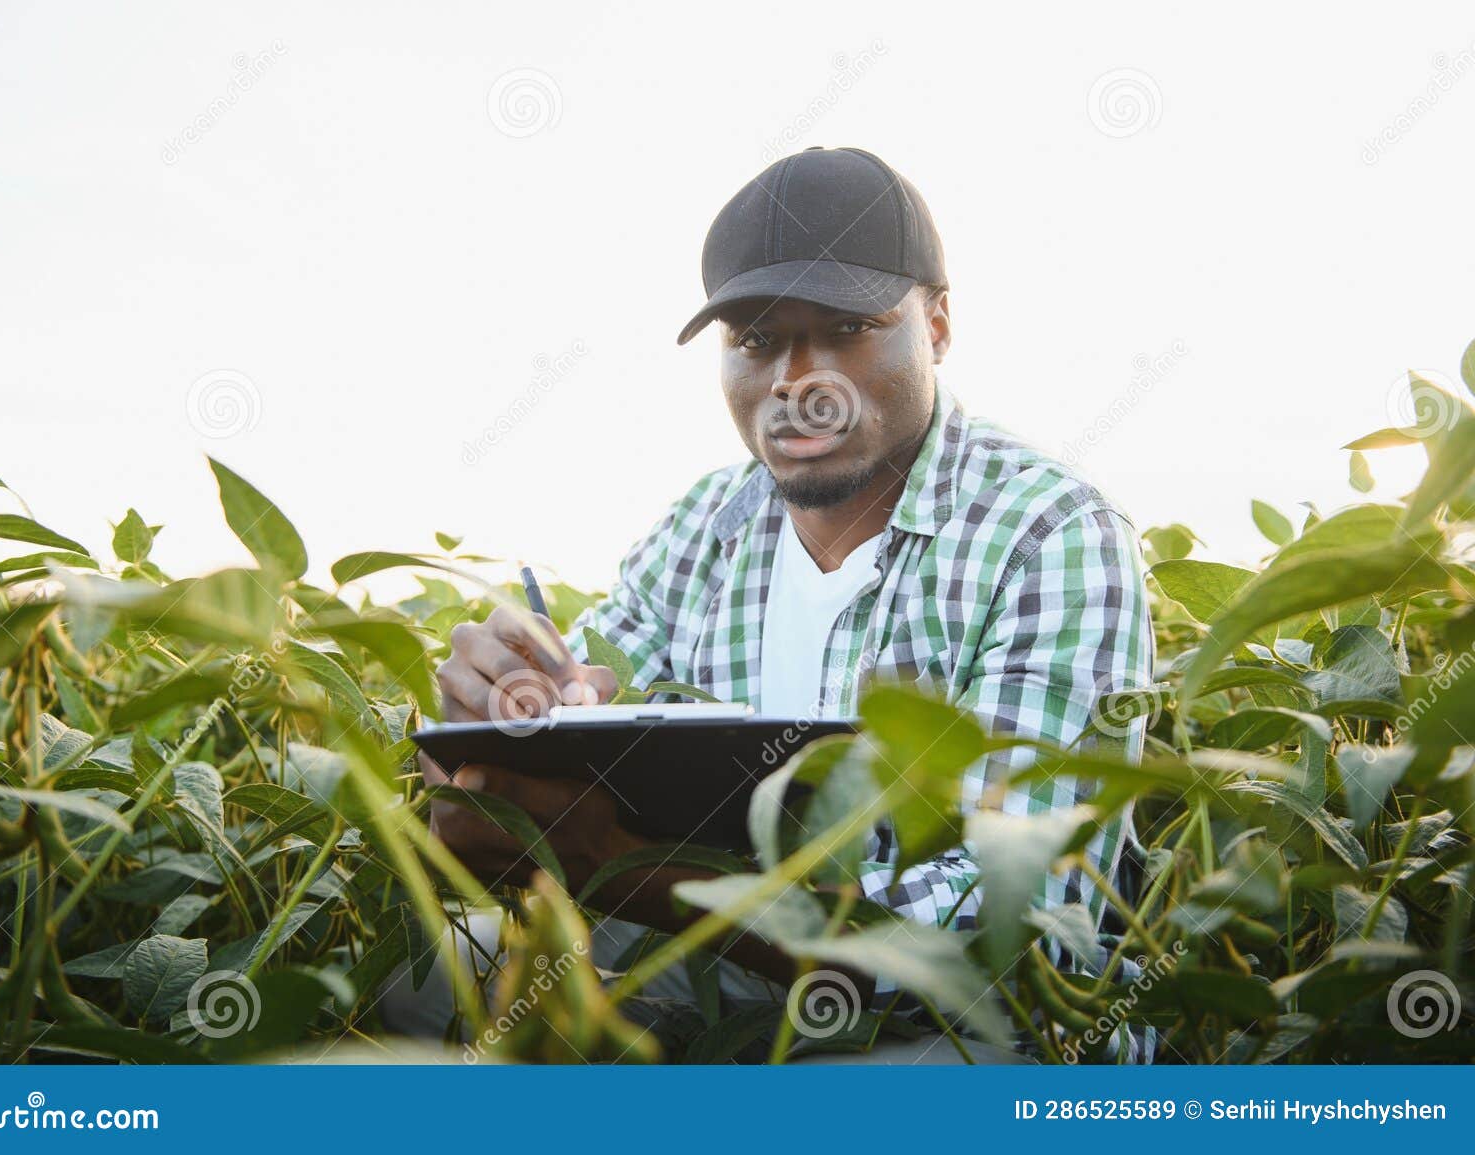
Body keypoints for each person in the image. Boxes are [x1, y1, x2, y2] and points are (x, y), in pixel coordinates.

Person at [387, 146, 1154, 1063]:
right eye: (755, 338)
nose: (798, 379)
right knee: (433, 989)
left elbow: (997, 938)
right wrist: (498, 729)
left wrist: (615, 865)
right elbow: (581, 697)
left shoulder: (1048, 535)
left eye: (845, 327)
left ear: (938, 325)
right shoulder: (707, 523)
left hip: (963, 1022)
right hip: (723, 959)